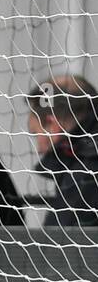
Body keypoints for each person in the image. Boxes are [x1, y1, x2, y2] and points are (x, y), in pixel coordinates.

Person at [26, 74, 98, 226]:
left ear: (53, 124)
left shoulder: (85, 175)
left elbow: (55, 245)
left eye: (35, 134)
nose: (39, 149)